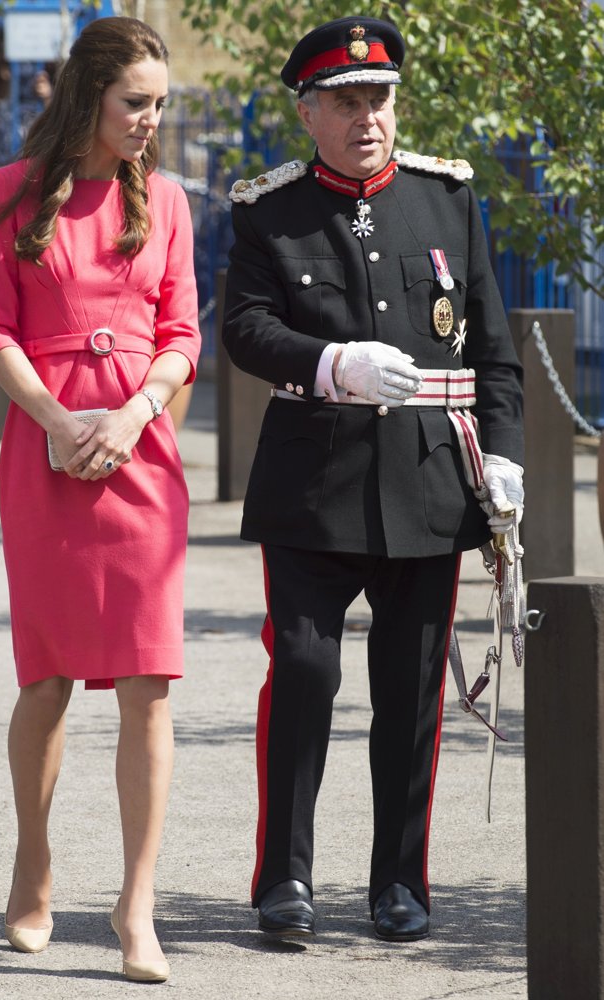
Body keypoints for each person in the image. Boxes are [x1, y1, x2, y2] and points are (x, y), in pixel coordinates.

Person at [222, 16, 524, 943]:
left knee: (411, 689)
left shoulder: (446, 200)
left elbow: (494, 350)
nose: (368, 118)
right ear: (307, 113)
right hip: (313, 483)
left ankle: (399, 883)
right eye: (346, 102)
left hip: (429, 484)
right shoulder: (270, 211)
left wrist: (504, 459)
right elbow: (243, 327)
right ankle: (284, 880)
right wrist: (330, 363)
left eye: (380, 99)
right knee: (306, 674)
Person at [0, 16, 201, 982]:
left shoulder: (173, 199)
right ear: (88, 97)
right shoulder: (6, 191)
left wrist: (138, 410)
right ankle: (34, 860)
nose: (150, 119)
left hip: (143, 457)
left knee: (150, 687)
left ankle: (135, 906)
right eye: (134, 103)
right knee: (49, 678)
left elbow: (183, 330)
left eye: (158, 103)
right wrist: (64, 423)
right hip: (47, 450)